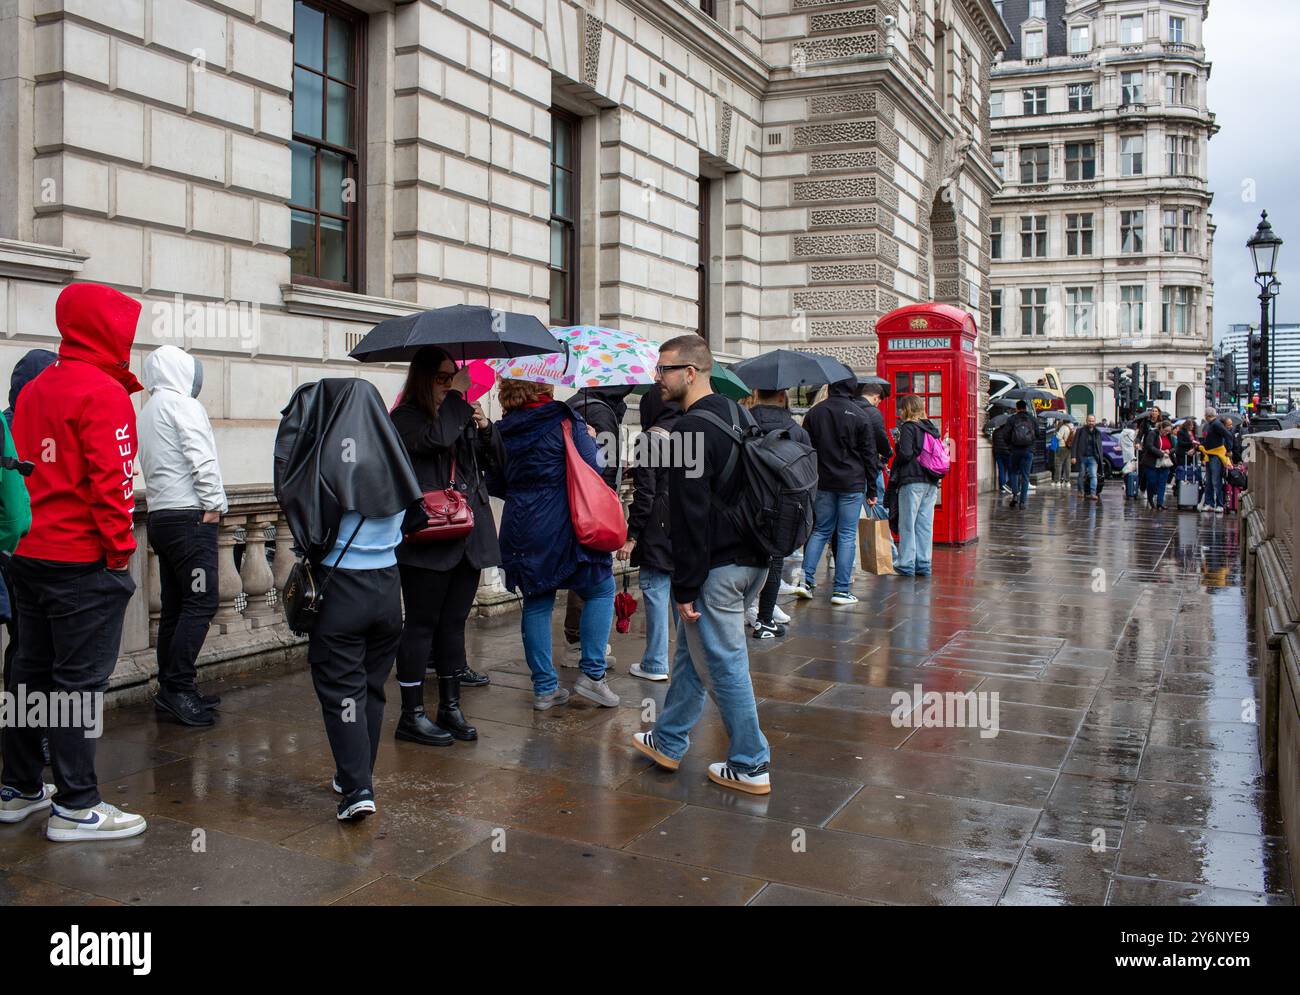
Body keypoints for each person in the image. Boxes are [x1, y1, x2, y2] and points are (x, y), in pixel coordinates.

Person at [1, 283, 147, 841]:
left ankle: (19, 788)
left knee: (28, 673)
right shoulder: (104, 392)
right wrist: (119, 554)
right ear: (108, 332)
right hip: (81, 560)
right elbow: (114, 485)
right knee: (77, 684)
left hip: (30, 553)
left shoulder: (38, 386)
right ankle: (77, 805)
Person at [275, 377, 422, 821]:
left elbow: (306, 523)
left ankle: (357, 788)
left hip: (340, 590)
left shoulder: (329, 465)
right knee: (371, 688)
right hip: (387, 589)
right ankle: (354, 773)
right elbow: (411, 521)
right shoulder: (396, 463)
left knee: (341, 689)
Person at [632, 335, 771, 794]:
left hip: (718, 567)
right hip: (754, 560)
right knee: (693, 654)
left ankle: (751, 762)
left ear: (690, 372)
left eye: (664, 370)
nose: (657, 379)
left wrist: (685, 587)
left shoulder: (690, 431)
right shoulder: (737, 412)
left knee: (725, 663)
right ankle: (669, 740)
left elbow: (689, 518)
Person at [390, 347, 504, 747]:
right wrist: (458, 399)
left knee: (455, 623)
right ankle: (412, 713)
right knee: (421, 625)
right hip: (428, 538)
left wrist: (486, 427)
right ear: (423, 379)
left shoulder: (461, 417)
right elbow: (433, 443)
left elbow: (500, 467)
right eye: (441, 378)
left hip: (467, 536)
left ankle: (450, 706)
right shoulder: (405, 418)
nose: (448, 384)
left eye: (451, 377)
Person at [490, 379, 619, 711]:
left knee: (536, 601)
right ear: (541, 385)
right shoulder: (565, 418)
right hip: (566, 522)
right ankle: (592, 675)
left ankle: (545, 688)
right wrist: (591, 440)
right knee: (601, 588)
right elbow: (593, 468)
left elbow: (496, 482)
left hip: (521, 525)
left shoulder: (501, 430)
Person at [138, 345, 228, 727]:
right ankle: (177, 689)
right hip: (191, 520)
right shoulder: (183, 406)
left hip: (163, 519)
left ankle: (174, 689)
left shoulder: (148, 410)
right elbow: (201, 456)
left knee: (177, 604)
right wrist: (214, 504)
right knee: (201, 601)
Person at [561, 386, 632, 666]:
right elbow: (604, 463)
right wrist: (608, 501)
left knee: (584, 573)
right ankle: (582, 644)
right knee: (594, 576)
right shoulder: (600, 410)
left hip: (576, 501)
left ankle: (579, 640)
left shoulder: (576, 403)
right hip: (593, 507)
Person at [792, 375, 875, 606]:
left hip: (823, 481)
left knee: (820, 530)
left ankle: (805, 582)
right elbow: (869, 455)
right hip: (851, 483)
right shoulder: (860, 415)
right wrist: (872, 489)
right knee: (847, 534)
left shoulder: (815, 413)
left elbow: (806, 449)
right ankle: (841, 590)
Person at [1, 349, 55, 695]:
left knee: (23, 646)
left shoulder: (10, 420)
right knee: (37, 648)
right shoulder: (30, 426)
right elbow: (17, 508)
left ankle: (19, 729)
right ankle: (35, 733)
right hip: (28, 551)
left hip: (18, 552)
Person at [621, 389, 679, 680]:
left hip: (658, 525)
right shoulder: (691, 433)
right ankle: (689, 659)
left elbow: (645, 495)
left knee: (656, 592)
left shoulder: (649, 439)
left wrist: (631, 536)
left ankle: (656, 662)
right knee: (683, 594)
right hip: (685, 523)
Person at [745, 388, 809, 637]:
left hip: (747, 503)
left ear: (758, 393)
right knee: (775, 559)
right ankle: (765, 619)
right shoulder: (797, 431)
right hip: (784, 505)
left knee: (748, 558)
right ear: (782, 396)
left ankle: (746, 609)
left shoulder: (744, 421)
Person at [889, 394, 942, 576]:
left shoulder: (908, 427)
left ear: (907, 409)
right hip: (931, 481)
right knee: (925, 524)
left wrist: (897, 444)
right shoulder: (932, 428)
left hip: (912, 480)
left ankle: (906, 563)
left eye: (901, 408)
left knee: (908, 523)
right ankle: (924, 563)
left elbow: (905, 454)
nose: (898, 411)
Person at [856, 380, 893, 519]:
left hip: (852, 468)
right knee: (879, 507)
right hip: (871, 465)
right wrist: (888, 452)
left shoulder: (850, 408)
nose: (878, 404)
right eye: (879, 401)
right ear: (876, 397)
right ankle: (883, 540)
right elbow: (880, 437)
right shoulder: (873, 412)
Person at [1199, 407, 1234, 515]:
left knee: (1215, 480)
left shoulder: (1216, 424)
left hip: (1215, 456)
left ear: (1206, 415)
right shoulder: (1213, 424)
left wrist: (1228, 449)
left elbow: (1228, 435)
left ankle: (1219, 504)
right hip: (1211, 455)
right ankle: (1210, 503)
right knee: (1210, 480)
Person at [1007, 400, 1037, 509]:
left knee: (1014, 473)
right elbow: (1037, 434)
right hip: (1028, 450)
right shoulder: (1032, 419)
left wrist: (1010, 446)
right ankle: (1023, 502)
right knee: (1025, 476)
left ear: (1017, 408)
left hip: (1015, 450)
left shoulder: (1012, 419)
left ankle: (1015, 495)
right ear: (1026, 408)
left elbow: (1006, 434)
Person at [1142, 418, 1175, 510]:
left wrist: (1169, 451)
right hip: (1152, 461)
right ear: (1161, 427)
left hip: (1164, 463)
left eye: (1169, 431)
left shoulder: (1169, 436)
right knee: (1152, 481)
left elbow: (1174, 447)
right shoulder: (1153, 433)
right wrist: (1161, 453)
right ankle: (1150, 497)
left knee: (1162, 483)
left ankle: (1160, 503)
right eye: (1165, 430)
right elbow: (1149, 446)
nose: (1167, 433)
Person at [1071, 413, 1104, 501]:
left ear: (1095, 421)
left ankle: (1093, 493)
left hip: (1093, 457)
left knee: (1093, 475)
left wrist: (1100, 458)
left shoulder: (1097, 432)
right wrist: (1073, 456)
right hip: (1082, 457)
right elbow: (1074, 444)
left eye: (1093, 421)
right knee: (1081, 475)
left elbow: (1100, 446)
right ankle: (1081, 491)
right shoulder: (1080, 431)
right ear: (1086, 421)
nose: (1091, 422)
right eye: (1089, 421)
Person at [991, 416, 1013, 495]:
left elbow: (993, 441)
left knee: (1001, 470)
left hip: (998, 453)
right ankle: (1010, 486)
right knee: (1010, 470)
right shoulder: (1009, 432)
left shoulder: (995, 432)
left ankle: (1002, 487)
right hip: (1007, 453)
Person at [1119, 421, 1139, 501]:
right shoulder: (1132, 432)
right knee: (1131, 472)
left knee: (1126, 471)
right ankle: (1131, 489)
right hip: (1132, 455)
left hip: (1125, 454)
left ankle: (1127, 487)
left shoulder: (1122, 433)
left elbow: (1119, 443)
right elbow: (1135, 442)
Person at [1050, 420, 1070, 486]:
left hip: (1061, 447)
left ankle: (1057, 481)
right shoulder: (1070, 427)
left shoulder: (1063, 427)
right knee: (1067, 465)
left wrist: (1056, 432)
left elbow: (1058, 437)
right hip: (1068, 448)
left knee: (1058, 464)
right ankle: (1067, 481)